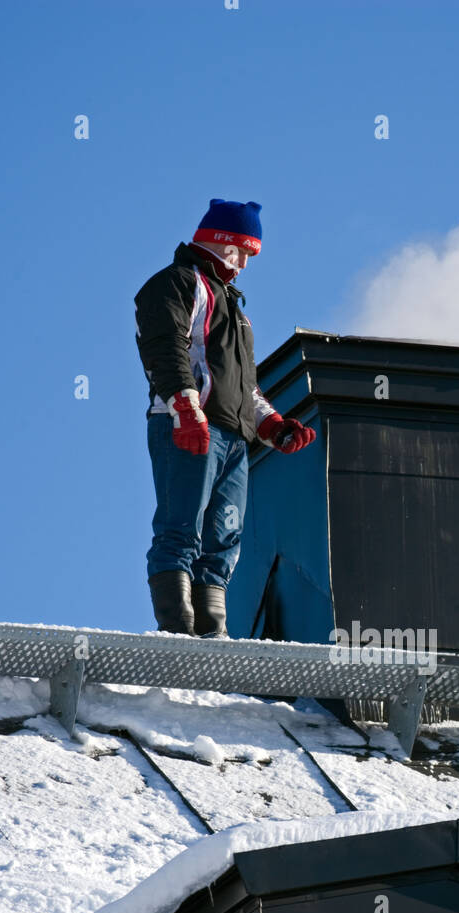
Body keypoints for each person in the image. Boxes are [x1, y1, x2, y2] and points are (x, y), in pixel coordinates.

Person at [133, 198, 315, 637]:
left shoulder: (237, 314)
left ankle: (211, 631)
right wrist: (185, 407)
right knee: (181, 526)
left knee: (224, 538)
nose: (245, 265)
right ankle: (177, 627)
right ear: (219, 242)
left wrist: (272, 425)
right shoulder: (177, 283)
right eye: (242, 252)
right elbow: (165, 346)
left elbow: (244, 386)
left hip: (233, 438)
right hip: (189, 423)